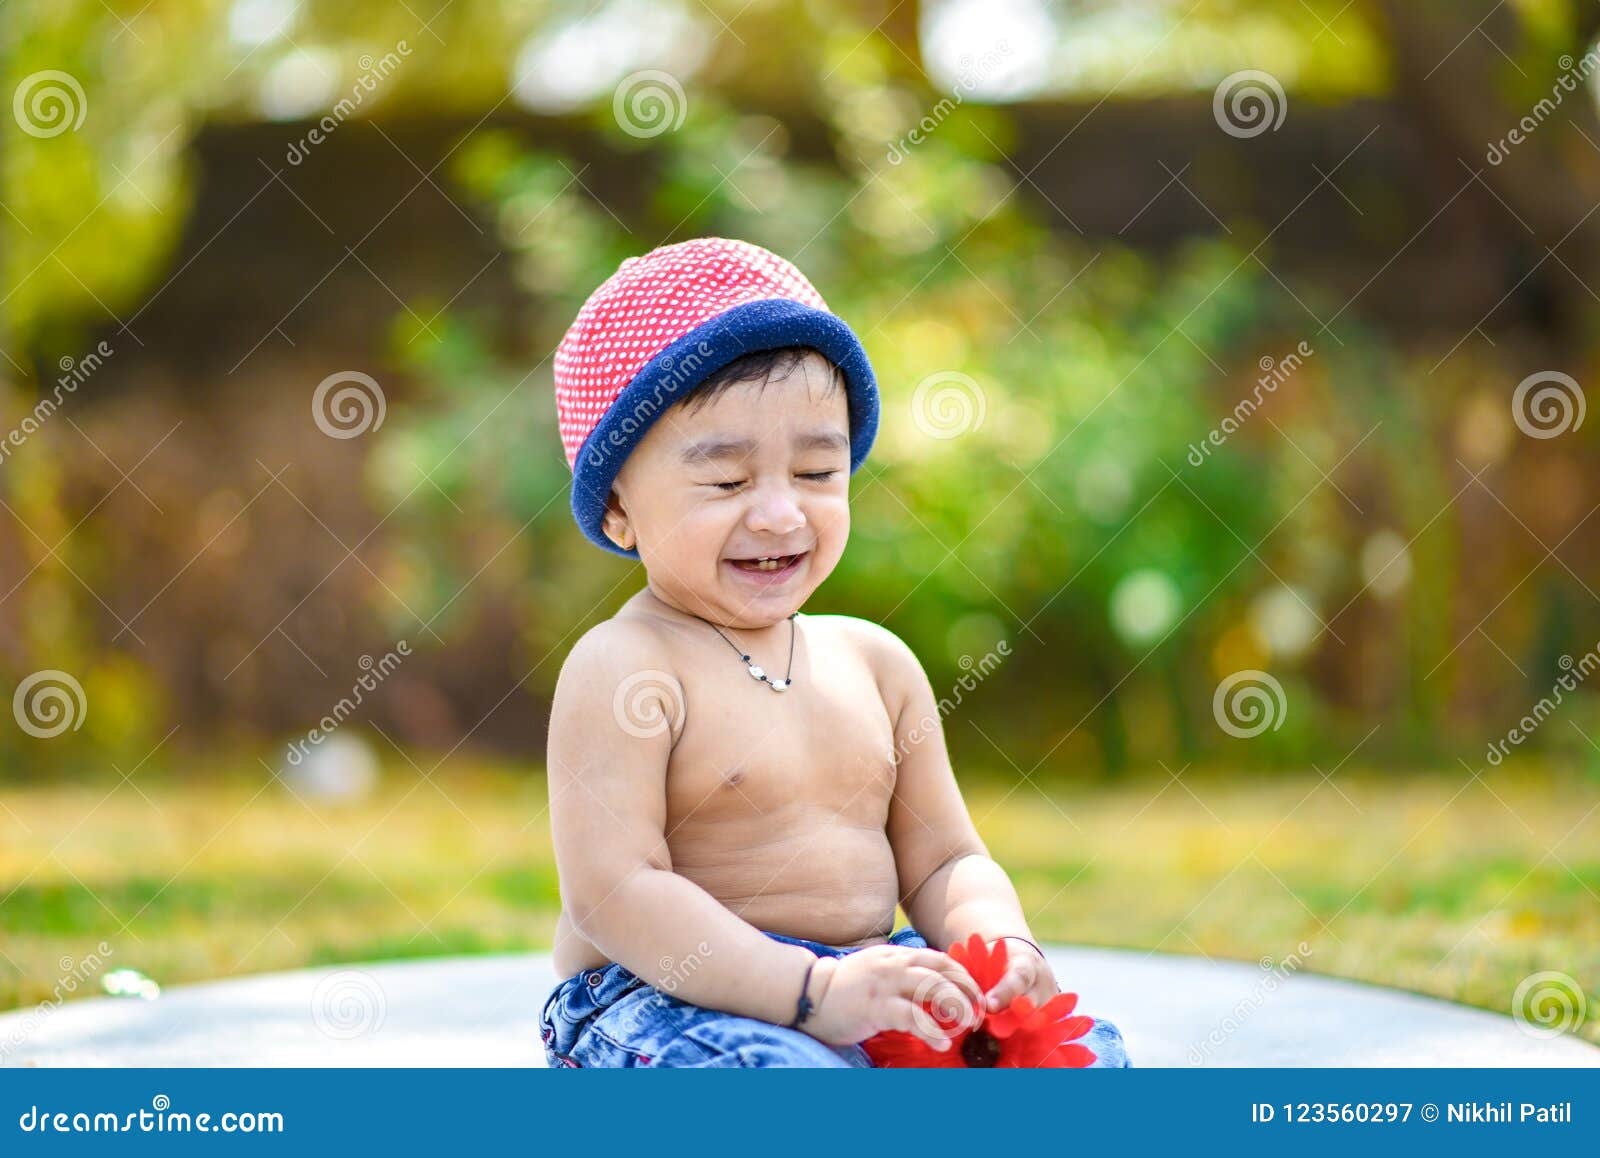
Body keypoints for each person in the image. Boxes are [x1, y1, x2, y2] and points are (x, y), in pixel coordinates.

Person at [539, 237, 1129, 1068]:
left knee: (1088, 1062)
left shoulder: (875, 664)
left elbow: (947, 858)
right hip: (664, 995)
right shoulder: (628, 667)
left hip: (862, 974)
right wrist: (806, 996)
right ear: (618, 512)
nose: (781, 514)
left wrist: (999, 944)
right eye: (727, 483)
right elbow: (614, 893)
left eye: (817, 472)